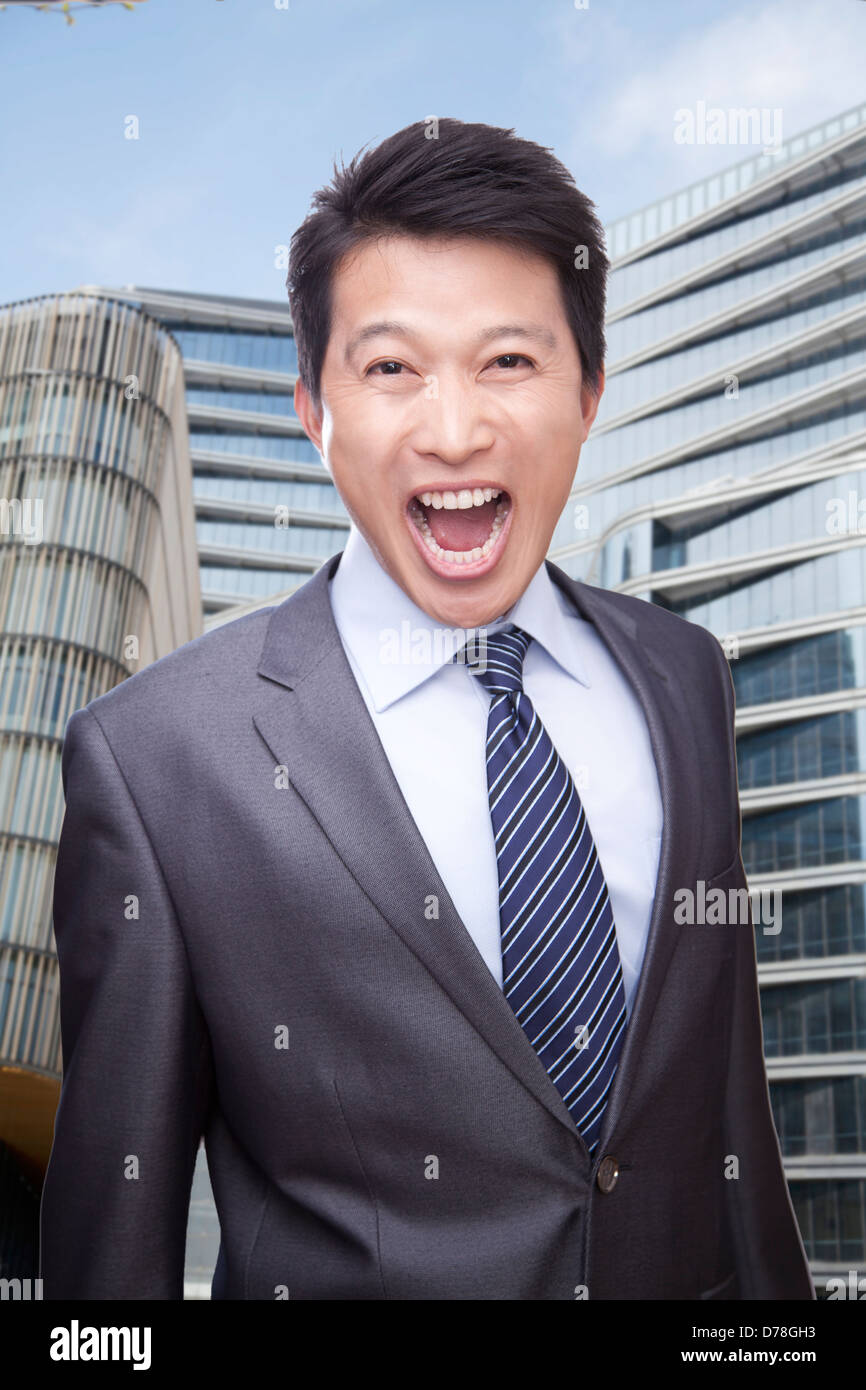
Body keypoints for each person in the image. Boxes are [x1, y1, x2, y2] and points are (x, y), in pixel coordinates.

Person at [40, 117, 814, 1300]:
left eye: (509, 361)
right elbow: (113, 1247)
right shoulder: (157, 758)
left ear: (590, 393)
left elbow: (725, 1113)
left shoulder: (682, 673)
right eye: (391, 368)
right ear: (314, 414)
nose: (453, 430)